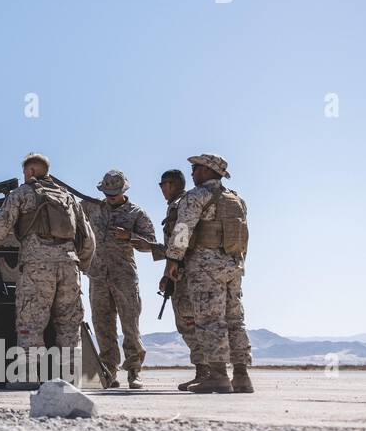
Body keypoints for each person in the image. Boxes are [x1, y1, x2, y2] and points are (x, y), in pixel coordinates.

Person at [0, 153, 94, 381]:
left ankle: (30, 376)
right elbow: (88, 237)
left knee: (31, 324)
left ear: (31, 171)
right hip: (69, 267)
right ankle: (71, 379)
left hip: (37, 266)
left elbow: (3, 222)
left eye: (25, 172)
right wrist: (80, 263)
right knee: (69, 326)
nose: (24, 177)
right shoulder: (68, 197)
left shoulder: (23, 194)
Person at [163, 154, 253, 394]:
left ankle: (219, 376)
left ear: (207, 171)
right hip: (233, 266)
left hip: (205, 267)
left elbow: (183, 229)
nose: (192, 173)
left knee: (210, 320)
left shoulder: (196, 196)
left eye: (195, 168)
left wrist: (173, 258)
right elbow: (243, 237)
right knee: (235, 320)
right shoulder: (236, 199)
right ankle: (242, 376)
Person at [128, 169, 206, 390]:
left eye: (163, 184)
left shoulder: (181, 205)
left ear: (172, 184)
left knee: (189, 323)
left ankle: (205, 370)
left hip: (186, 273)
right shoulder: (182, 204)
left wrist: (155, 252)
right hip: (184, 271)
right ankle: (206, 370)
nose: (161, 188)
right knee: (191, 322)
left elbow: (181, 243)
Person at [83, 170, 155, 389]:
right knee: (102, 326)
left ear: (124, 190)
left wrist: (130, 237)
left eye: (115, 192)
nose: (111, 196)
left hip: (124, 276)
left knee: (130, 325)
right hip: (97, 275)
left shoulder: (136, 213)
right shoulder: (91, 207)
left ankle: (134, 371)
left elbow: (151, 243)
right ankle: (108, 371)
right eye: (107, 192)